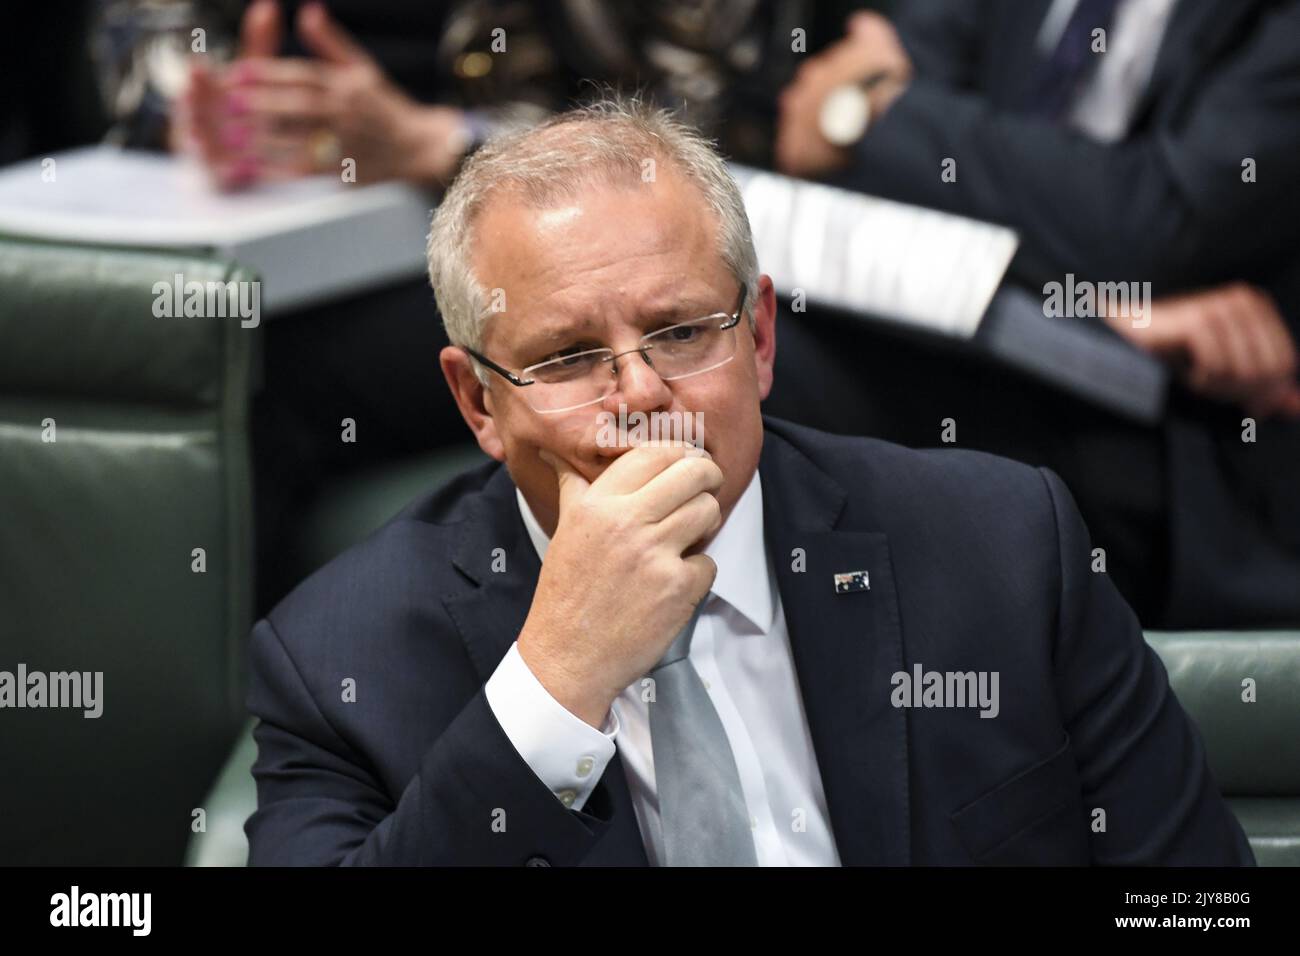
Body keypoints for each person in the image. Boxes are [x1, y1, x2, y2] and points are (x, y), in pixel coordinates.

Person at [244, 97, 1253, 866]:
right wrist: (553, 681)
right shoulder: (338, 656)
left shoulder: (1000, 542)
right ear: (477, 404)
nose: (641, 392)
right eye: (565, 357)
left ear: (761, 338)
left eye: (681, 331)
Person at [771, 1, 1300, 626]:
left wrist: (888, 111)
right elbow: (816, 135)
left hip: (1188, 441)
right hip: (984, 346)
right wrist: (1098, 306)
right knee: (742, 359)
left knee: (776, 386)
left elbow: (1162, 223)